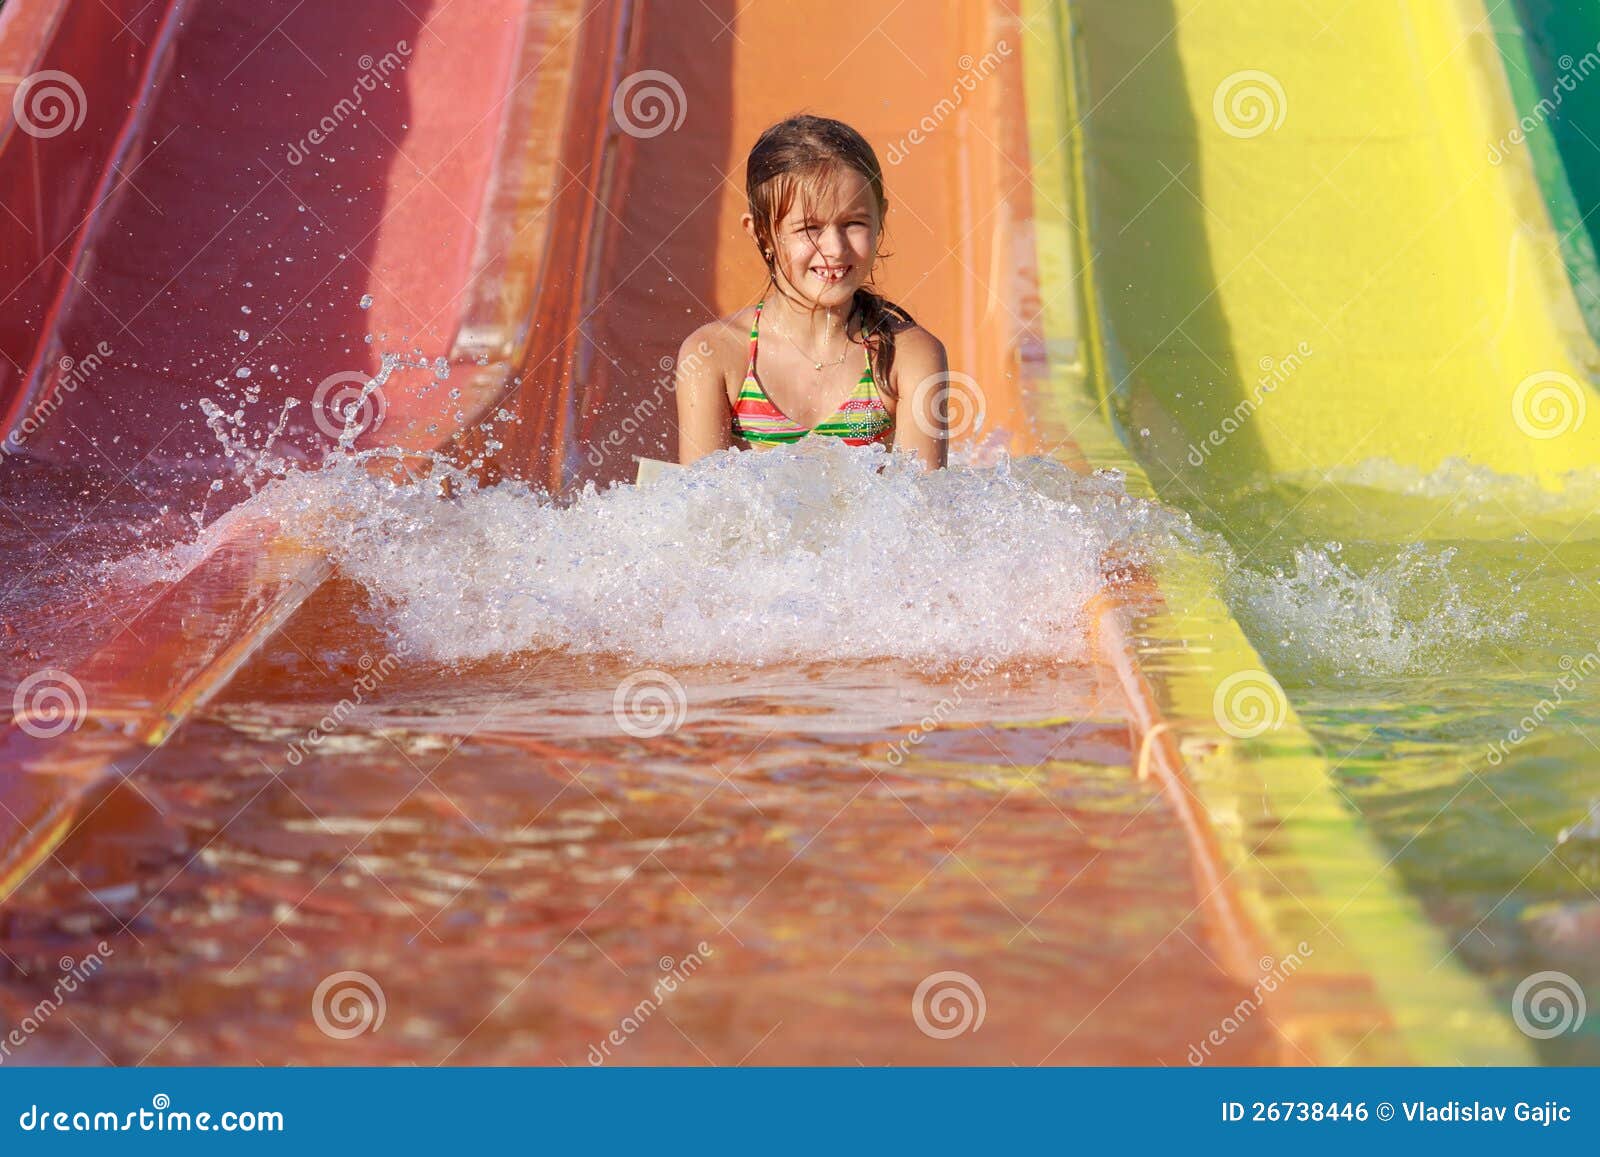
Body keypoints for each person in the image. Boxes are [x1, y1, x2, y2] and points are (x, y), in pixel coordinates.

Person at [674, 113, 949, 469]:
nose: (834, 248)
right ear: (760, 232)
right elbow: (702, 511)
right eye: (809, 228)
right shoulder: (716, 357)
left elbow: (921, 510)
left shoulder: (908, 357)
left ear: (880, 217)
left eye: (853, 223)